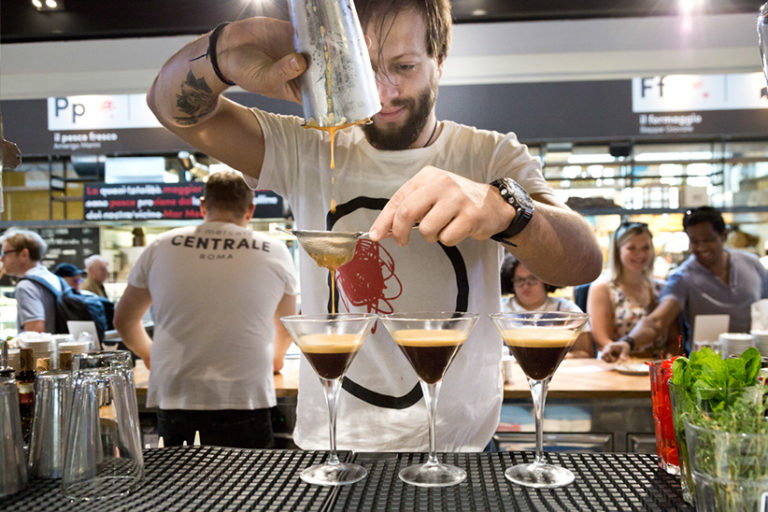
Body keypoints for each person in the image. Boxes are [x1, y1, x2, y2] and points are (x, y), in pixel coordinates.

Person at [146, 0, 601, 451]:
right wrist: (226, 49)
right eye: (364, 68)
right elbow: (169, 106)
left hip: (462, 448)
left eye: (403, 66)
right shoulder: (307, 146)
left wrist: (505, 206)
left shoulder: (490, 156)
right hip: (334, 445)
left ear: (439, 61)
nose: (383, 93)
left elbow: (581, 261)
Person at [113, 171, 299, 448]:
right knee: (250, 487)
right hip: (245, 393)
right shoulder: (273, 249)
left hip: (177, 391)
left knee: (180, 487)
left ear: (202, 205)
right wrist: (276, 358)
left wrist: (149, 353)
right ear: (250, 210)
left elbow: (125, 320)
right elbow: (285, 324)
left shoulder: (160, 245)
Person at [602, 207, 768, 362]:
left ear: (724, 235)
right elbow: (657, 321)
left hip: (756, 365)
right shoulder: (682, 278)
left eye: (708, 240)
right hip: (707, 370)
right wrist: (628, 343)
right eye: (694, 241)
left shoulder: (752, 265)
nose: (701, 247)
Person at [589, 222, 680, 360]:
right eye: (631, 248)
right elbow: (602, 341)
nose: (640, 254)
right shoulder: (602, 289)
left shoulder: (663, 288)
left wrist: (669, 364)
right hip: (619, 364)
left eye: (646, 248)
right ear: (618, 251)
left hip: (657, 368)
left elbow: (675, 339)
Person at [500, 255, 594, 358]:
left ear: (546, 280)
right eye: (519, 280)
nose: (525, 286)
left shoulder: (566, 310)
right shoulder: (500, 309)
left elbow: (586, 353)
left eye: (532, 279)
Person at [0, 229, 62, 333]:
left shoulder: (26, 286)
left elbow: (34, 335)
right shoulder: (51, 277)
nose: (1, 259)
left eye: (5, 253)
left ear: (24, 254)